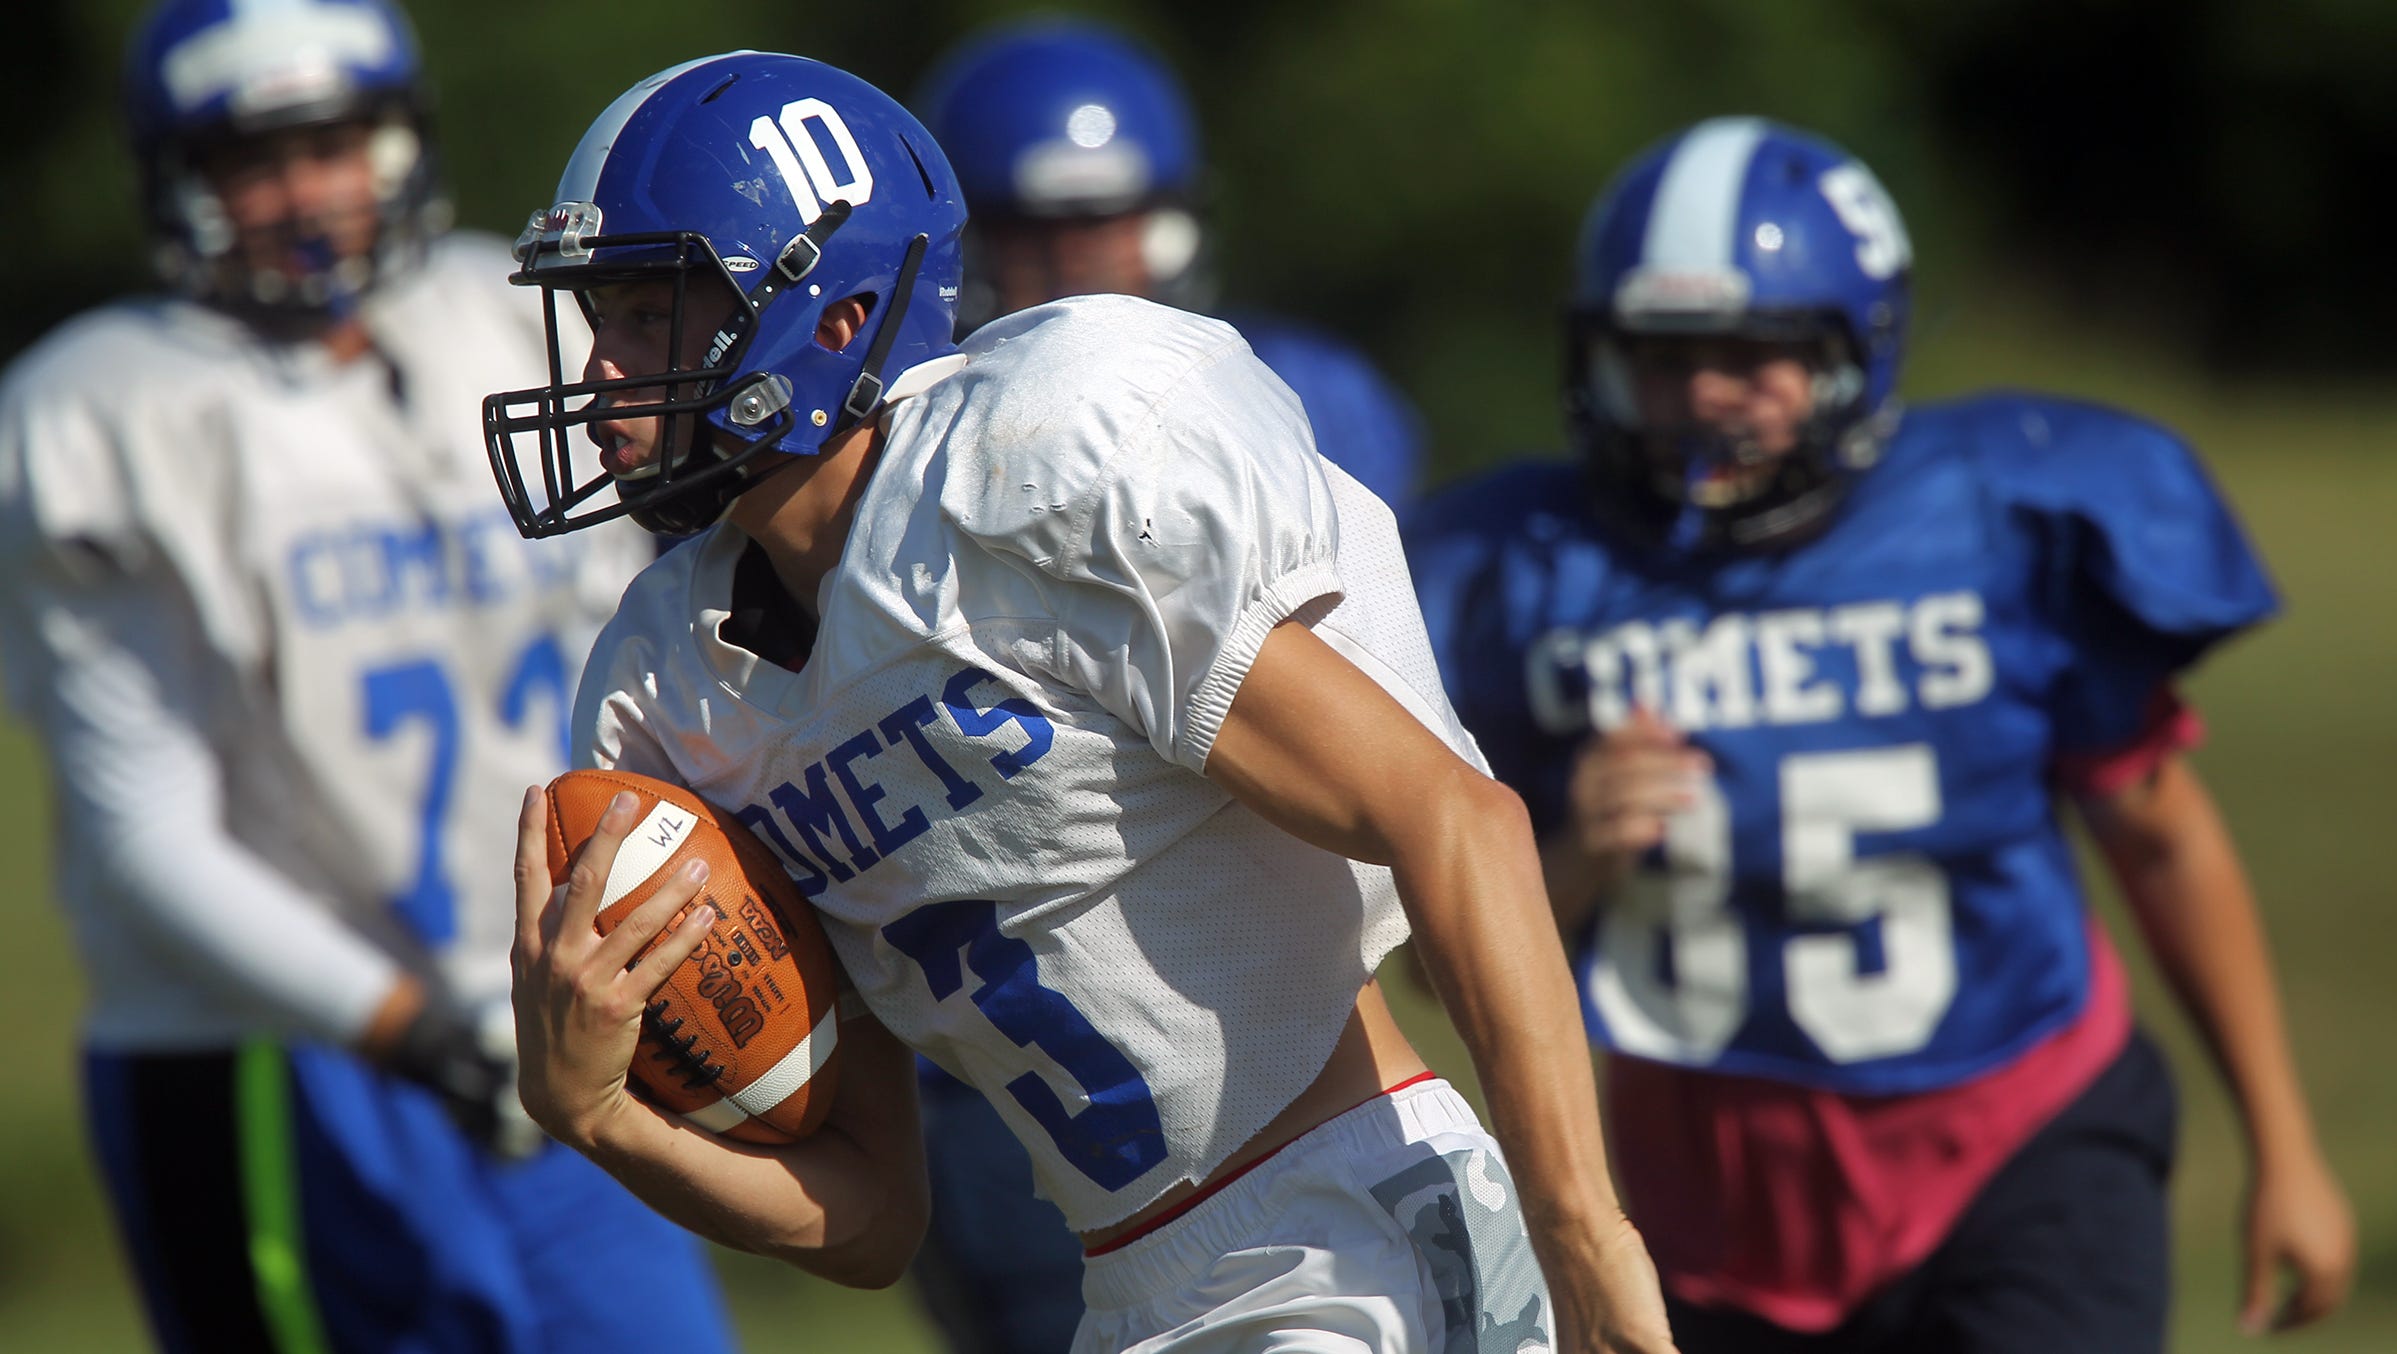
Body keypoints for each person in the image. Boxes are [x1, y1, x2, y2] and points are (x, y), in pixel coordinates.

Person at [490, 49, 1678, 1354]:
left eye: (647, 314)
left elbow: (1458, 818)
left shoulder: (1026, 487)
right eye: (593, 316)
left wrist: (1585, 1237)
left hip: (1351, 1228)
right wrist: (594, 1111)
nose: (599, 371)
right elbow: (874, 1218)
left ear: (827, 320)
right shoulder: (672, 688)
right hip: (1124, 1292)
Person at [1403, 116, 2356, 1352]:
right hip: (1708, 1202)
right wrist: (1573, 852)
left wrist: (2284, 1144)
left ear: (1857, 355)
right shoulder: (1523, 572)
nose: (1702, 395)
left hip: (2015, 1137)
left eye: (1754, 353)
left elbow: (2163, 837)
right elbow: (1437, 963)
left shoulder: (1998, 522)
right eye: (1661, 352)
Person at [0, 3, 731, 1351]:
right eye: (255, 158)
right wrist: (426, 1031)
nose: (306, 195)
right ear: (179, 179)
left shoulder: (512, 321)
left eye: (336, 142)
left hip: (558, 1005)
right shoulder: (101, 411)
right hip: (281, 1055)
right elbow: (145, 834)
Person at [905, 22, 1431, 1349]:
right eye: (1038, 233)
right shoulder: (905, 469)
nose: (1083, 269)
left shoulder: (1294, 404)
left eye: (1109, 225)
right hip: (1023, 1047)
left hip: (1270, 1013)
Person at [916, 19, 1425, 511]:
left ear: (1172, 231)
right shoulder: (918, 411)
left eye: (1105, 224)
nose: (1076, 257)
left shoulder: (1308, 391)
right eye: (1031, 231)